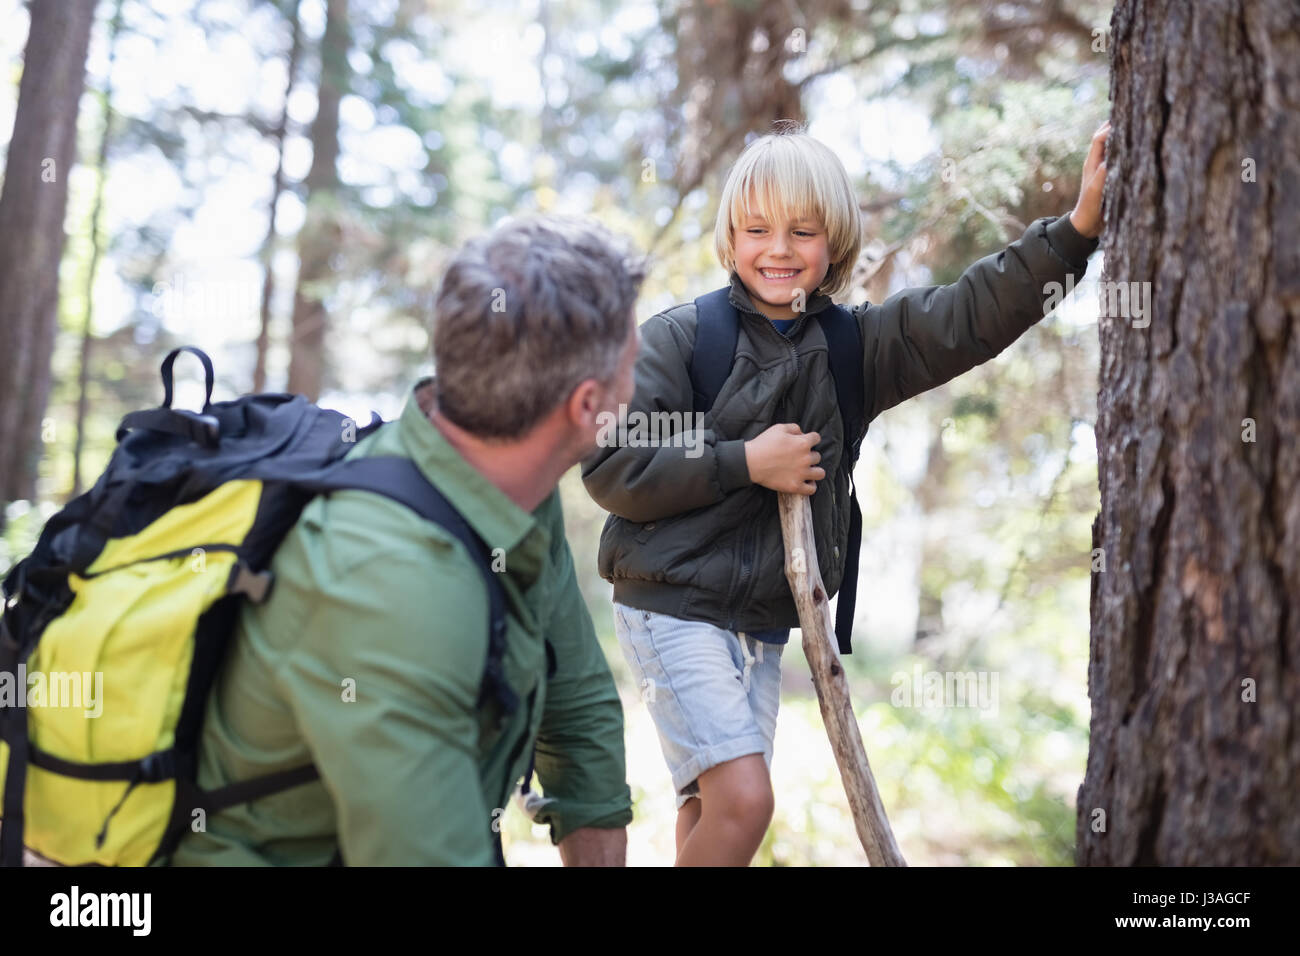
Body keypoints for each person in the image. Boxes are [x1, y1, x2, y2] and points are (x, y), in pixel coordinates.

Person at [582, 120, 1110, 866]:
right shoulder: (681, 339)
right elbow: (612, 466)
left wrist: (1077, 230)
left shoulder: (856, 348)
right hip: (670, 606)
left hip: (762, 624)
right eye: (757, 228)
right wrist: (742, 461)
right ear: (730, 237)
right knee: (744, 800)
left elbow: (968, 314)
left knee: (708, 805)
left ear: (834, 243)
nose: (778, 249)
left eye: (803, 231)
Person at [171, 215, 646, 866]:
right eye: (633, 366)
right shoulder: (388, 583)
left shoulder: (515, 495)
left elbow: (576, 707)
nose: (640, 386)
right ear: (587, 403)